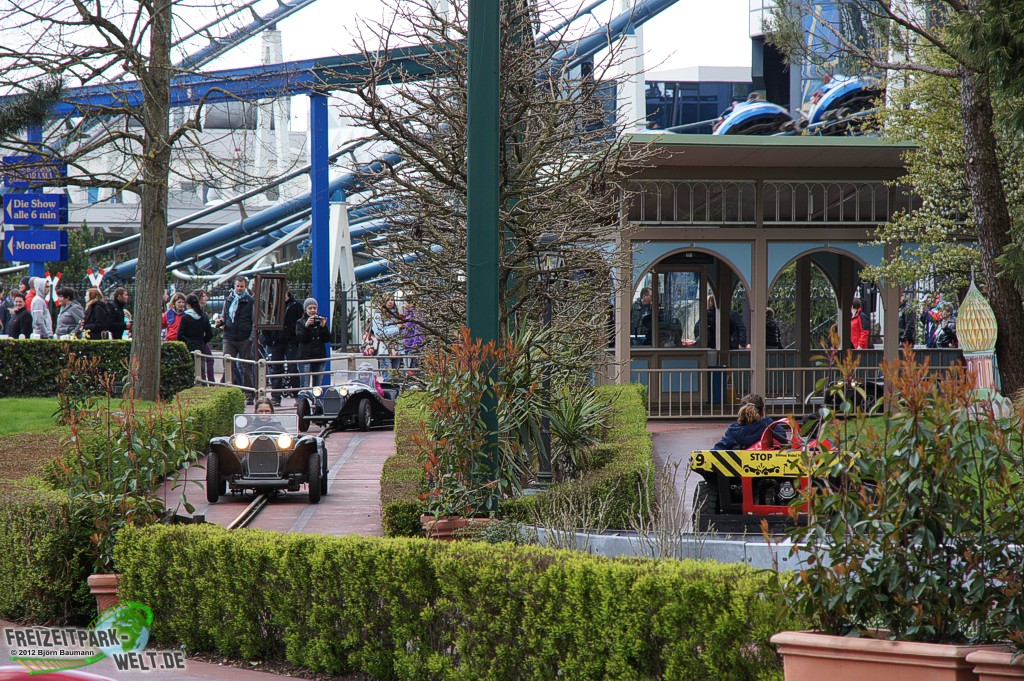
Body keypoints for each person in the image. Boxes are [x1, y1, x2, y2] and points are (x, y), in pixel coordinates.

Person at [220, 276, 255, 403]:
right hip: (229, 336)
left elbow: (253, 320)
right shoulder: (229, 300)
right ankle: (227, 392)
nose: (239, 288)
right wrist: (221, 322)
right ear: (234, 286)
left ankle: (249, 394)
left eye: (242, 286)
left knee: (247, 367)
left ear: (245, 287)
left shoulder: (250, 301)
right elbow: (225, 316)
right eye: (237, 286)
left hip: (244, 338)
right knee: (228, 364)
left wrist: (251, 338)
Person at [712, 393, 785, 450]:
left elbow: (719, 448)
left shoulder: (734, 430)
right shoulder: (769, 425)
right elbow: (783, 439)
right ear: (762, 410)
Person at [178, 294, 214, 383]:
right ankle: (203, 389)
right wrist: (202, 341)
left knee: (188, 371)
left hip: (188, 348)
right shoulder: (204, 316)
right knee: (201, 372)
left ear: (188, 304)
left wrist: (187, 342)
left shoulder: (185, 317)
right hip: (200, 346)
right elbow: (210, 334)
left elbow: (179, 335)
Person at [296, 297, 330, 389]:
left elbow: (327, 339)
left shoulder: (320, 321)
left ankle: (317, 402)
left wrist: (323, 327)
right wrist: (306, 326)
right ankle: (303, 401)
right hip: (305, 357)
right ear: (305, 309)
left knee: (318, 385)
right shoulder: (300, 322)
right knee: (305, 385)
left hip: (319, 357)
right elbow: (300, 338)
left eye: (314, 308)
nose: (312, 310)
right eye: (310, 308)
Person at [370, 294, 404, 372]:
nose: (390, 302)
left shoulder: (396, 314)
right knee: (388, 377)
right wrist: (396, 328)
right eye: (388, 300)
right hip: (384, 349)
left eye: (392, 299)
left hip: (396, 349)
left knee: (396, 377)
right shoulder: (378, 315)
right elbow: (379, 334)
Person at [191, 289, 216, 384]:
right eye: (204, 296)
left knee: (207, 359)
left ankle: (208, 381)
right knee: (205, 360)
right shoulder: (198, 312)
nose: (206, 298)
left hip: (202, 340)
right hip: (199, 340)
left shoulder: (201, 310)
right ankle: (208, 381)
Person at [402, 304, 425, 370]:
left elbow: (419, 331)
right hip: (408, 345)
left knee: (415, 369)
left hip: (414, 347)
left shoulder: (416, 314)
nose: (404, 305)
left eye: (406, 302)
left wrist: (415, 345)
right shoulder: (408, 314)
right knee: (409, 369)